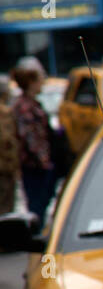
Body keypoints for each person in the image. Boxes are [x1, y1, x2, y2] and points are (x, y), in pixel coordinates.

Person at [10, 67, 57, 222]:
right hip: (34, 165)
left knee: (42, 202)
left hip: (38, 163)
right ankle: (35, 234)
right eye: (40, 79)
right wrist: (43, 161)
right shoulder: (24, 107)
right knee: (37, 204)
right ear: (31, 82)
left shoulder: (32, 103)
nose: (42, 82)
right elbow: (30, 138)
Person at [0, 76, 20, 215]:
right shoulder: (4, 113)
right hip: (4, 169)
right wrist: (15, 166)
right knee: (5, 209)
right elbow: (7, 142)